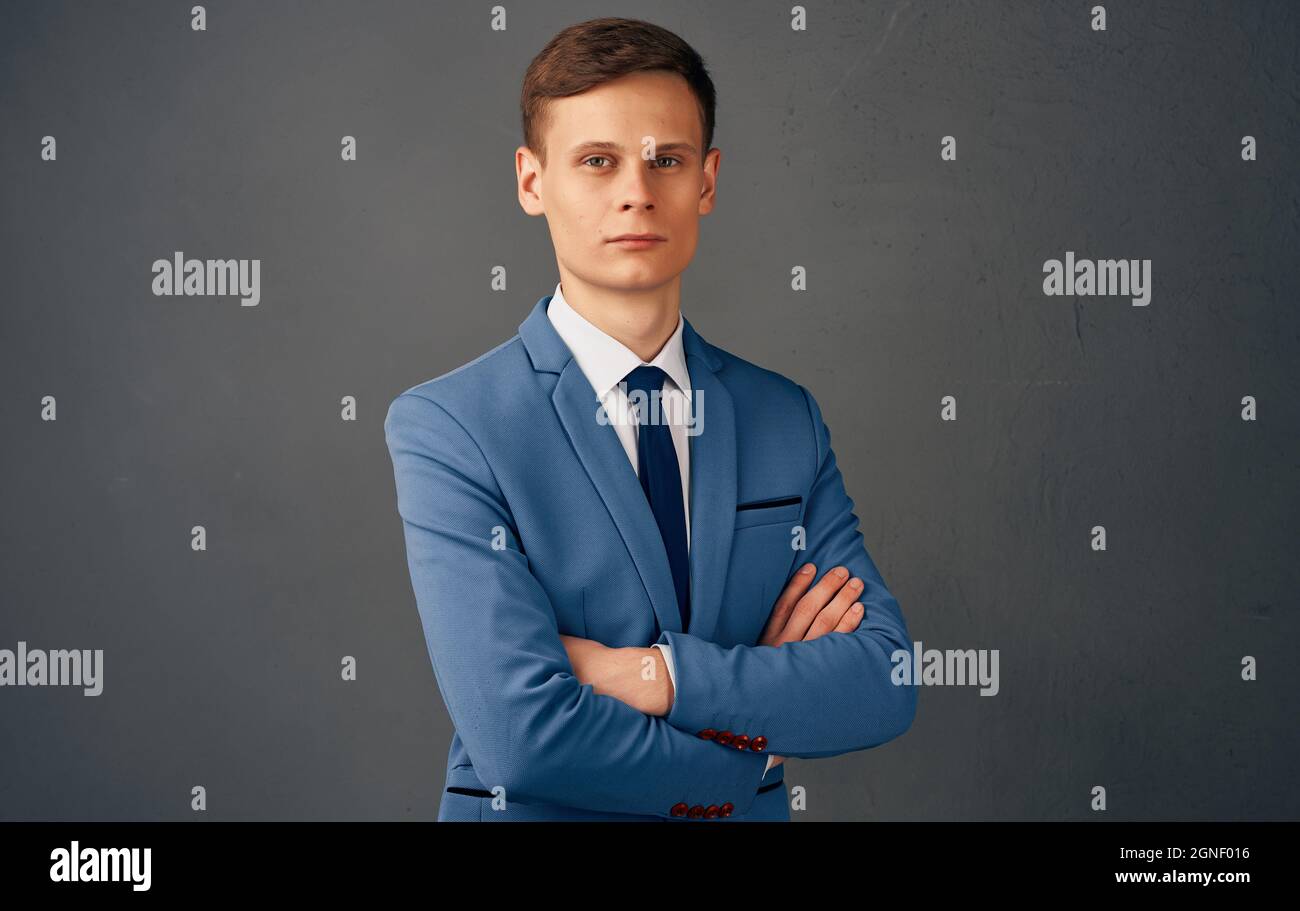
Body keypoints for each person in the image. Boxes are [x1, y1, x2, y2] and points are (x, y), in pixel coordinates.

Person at [384, 16, 916, 822]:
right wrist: (750, 743)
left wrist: (654, 676)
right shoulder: (452, 426)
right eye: (597, 161)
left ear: (706, 181)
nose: (636, 190)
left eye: (666, 159)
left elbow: (883, 679)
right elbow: (520, 736)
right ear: (532, 181)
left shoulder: (784, 418)